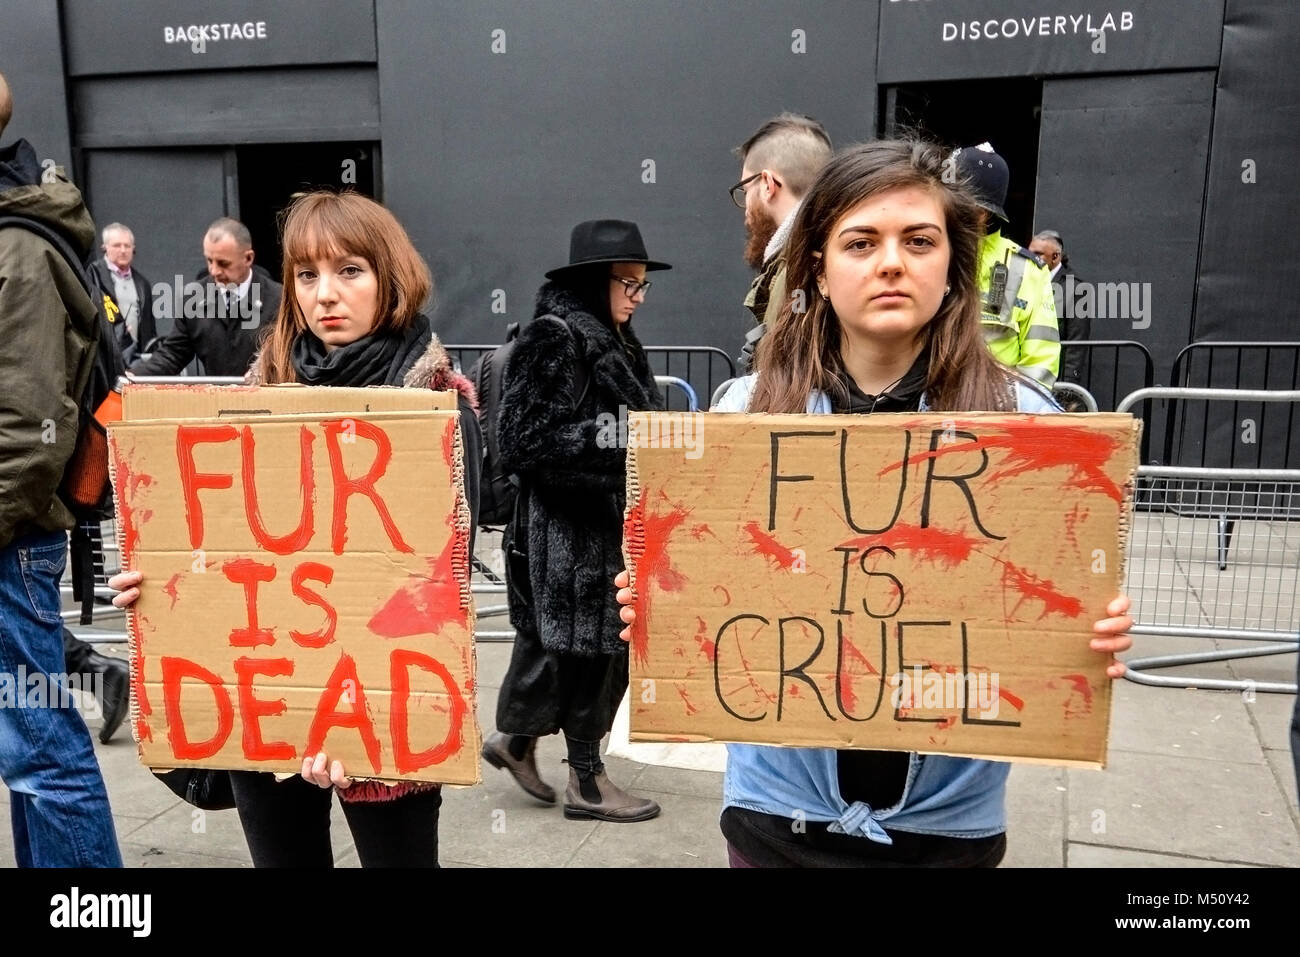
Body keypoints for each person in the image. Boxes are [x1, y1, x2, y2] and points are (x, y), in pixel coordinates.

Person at [615, 139, 1134, 866]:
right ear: (819, 272)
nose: (891, 261)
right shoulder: (740, 416)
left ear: (952, 270)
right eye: (860, 241)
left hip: (946, 827)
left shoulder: (1029, 425)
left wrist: (1093, 628)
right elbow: (697, 591)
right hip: (777, 820)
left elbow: (1057, 594)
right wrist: (658, 602)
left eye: (918, 241)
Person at [110, 190, 481, 867]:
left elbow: (435, 588)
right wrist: (161, 589)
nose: (325, 295)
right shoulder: (247, 405)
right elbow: (218, 554)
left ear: (390, 278)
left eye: (350, 271)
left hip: (385, 713)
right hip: (268, 710)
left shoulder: (439, 410)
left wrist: (349, 709)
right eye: (307, 275)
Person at [480, 219, 667, 822]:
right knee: (595, 649)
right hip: (567, 534)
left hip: (603, 526)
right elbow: (522, 441)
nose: (638, 297)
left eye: (642, 286)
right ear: (595, 281)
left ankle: (516, 740)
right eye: (629, 284)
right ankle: (587, 783)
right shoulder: (556, 338)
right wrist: (626, 443)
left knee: (582, 646)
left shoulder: (614, 339)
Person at [0, 69, 122, 867]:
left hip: (11, 540)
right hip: (15, 534)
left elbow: (26, 427)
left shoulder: (15, 247)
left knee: (43, 754)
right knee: (27, 754)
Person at [954, 143, 1061, 390]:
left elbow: (1041, 361)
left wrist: (1013, 414)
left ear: (981, 212)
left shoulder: (1028, 270)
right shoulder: (924, 254)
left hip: (996, 412)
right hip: (922, 414)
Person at [732, 113, 833, 373]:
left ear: (767, 184)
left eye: (744, 191)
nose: (744, 209)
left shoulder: (797, 266)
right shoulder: (834, 249)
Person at [128, 217, 282, 377]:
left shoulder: (279, 300)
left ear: (248, 258)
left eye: (223, 263)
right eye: (209, 261)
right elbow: (172, 355)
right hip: (215, 400)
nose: (214, 271)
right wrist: (134, 376)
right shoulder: (193, 298)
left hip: (264, 400)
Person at [88, 222, 159, 365]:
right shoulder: (93, 274)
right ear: (105, 247)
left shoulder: (142, 283)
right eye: (117, 245)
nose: (123, 250)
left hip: (136, 359)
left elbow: (150, 328)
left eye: (127, 246)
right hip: (105, 357)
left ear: (133, 249)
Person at [1029, 229, 1090, 388]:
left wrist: (1069, 385)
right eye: (1029, 253)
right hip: (1027, 372)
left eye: (1037, 254)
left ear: (1055, 257)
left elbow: (1077, 343)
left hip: (1055, 378)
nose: (1030, 258)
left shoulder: (1076, 288)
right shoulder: (1026, 280)